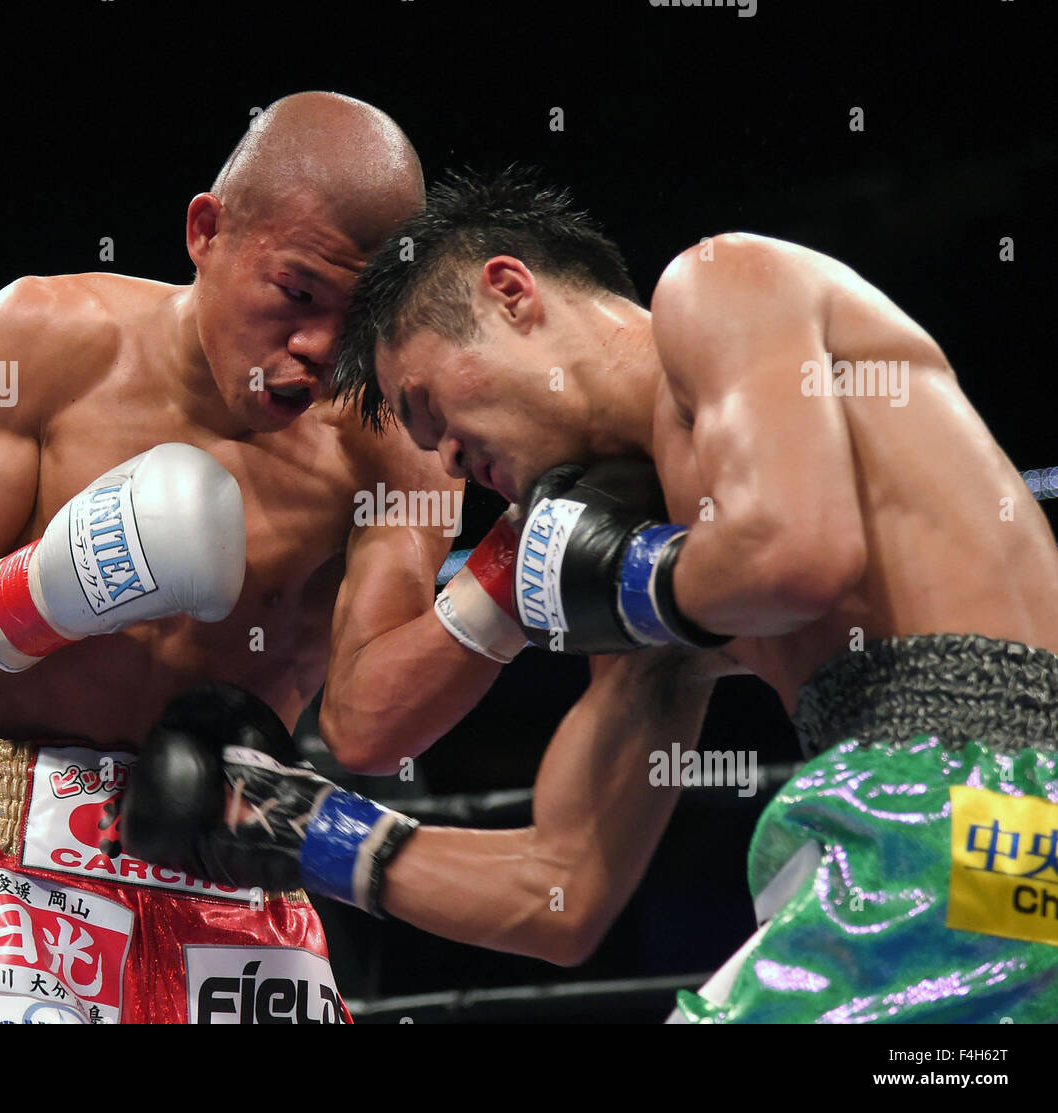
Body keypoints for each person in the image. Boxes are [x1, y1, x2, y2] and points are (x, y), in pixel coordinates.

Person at [134, 168, 1058, 1023]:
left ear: (511, 291)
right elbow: (558, 888)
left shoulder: (724, 286)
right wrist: (306, 825)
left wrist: (620, 579)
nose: (448, 455)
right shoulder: (667, 564)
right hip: (950, 844)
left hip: (979, 804)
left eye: (429, 406)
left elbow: (797, 551)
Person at [0, 93, 498, 1025]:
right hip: (17, 860)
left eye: (358, 316)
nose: (320, 350)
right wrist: (54, 587)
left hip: (242, 876)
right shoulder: (44, 338)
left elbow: (379, 728)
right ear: (206, 230)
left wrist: (515, 576)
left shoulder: (388, 444)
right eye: (296, 294)